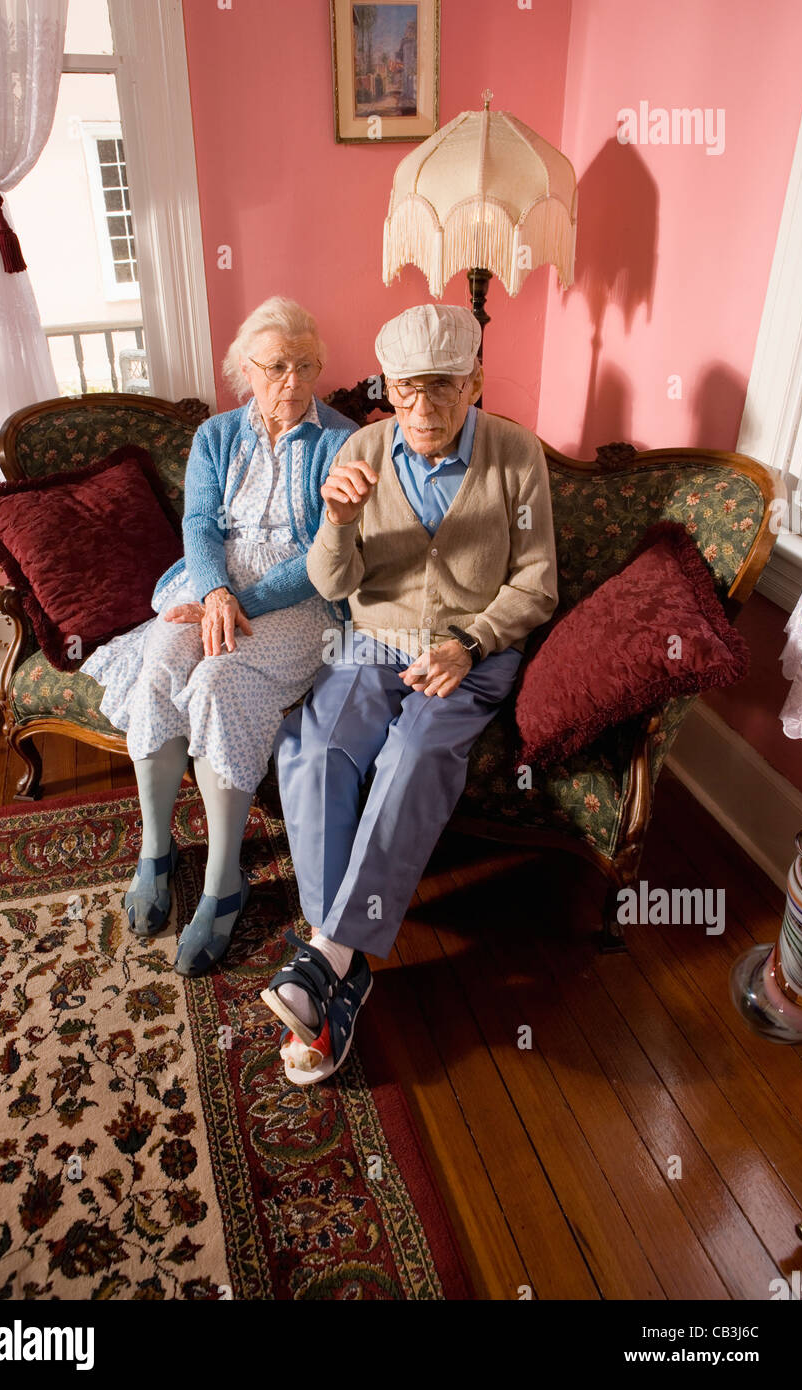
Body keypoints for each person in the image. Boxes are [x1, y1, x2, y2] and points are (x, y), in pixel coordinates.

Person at [262, 303, 559, 1084]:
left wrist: (468, 643)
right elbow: (333, 581)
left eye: (441, 388)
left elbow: (537, 584)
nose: (422, 409)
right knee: (313, 747)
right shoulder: (361, 447)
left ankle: (323, 963)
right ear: (385, 385)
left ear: (476, 382)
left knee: (414, 752)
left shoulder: (515, 455)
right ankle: (342, 971)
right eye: (404, 390)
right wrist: (335, 519)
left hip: (472, 649)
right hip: (371, 639)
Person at [81, 297, 356, 976]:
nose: (292, 382)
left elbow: (325, 552)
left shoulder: (344, 441)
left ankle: (223, 881)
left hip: (297, 599)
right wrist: (214, 595)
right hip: (210, 588)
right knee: (159, 668)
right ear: (245, 370)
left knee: (219, 680)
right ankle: (156, 849)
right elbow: (200, 522)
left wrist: (243, 604)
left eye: (305, 366)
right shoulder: (217, 434)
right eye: (276, 367)